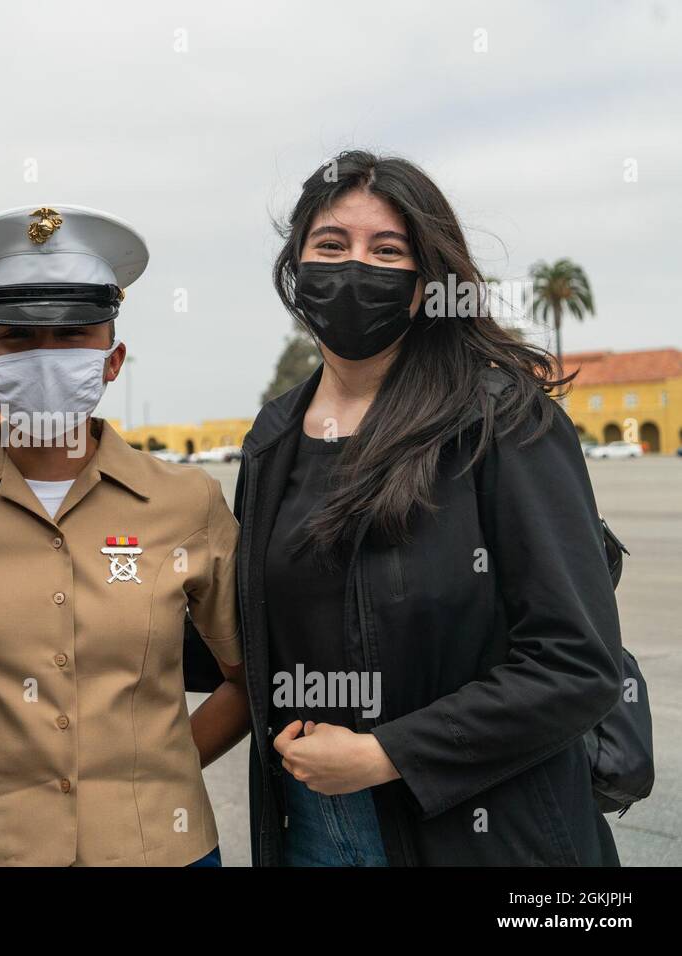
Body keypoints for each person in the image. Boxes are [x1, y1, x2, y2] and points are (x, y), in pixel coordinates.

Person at [204, 151, 622, 865]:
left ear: (428, 283)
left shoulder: (502, 419)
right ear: (295, 266)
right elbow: (253, 631)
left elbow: (577, 665)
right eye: (330, 245)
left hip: (486, 834)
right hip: (310, 826)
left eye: (386, 250)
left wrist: (385, 754)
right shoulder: (274, 436)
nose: (353, 266)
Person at [0, 204, 250, 866]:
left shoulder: (188, 504)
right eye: (17, 336)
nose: (45, 356)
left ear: (113, 361)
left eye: (73, 336)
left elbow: (245, 679)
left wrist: (154, 781)